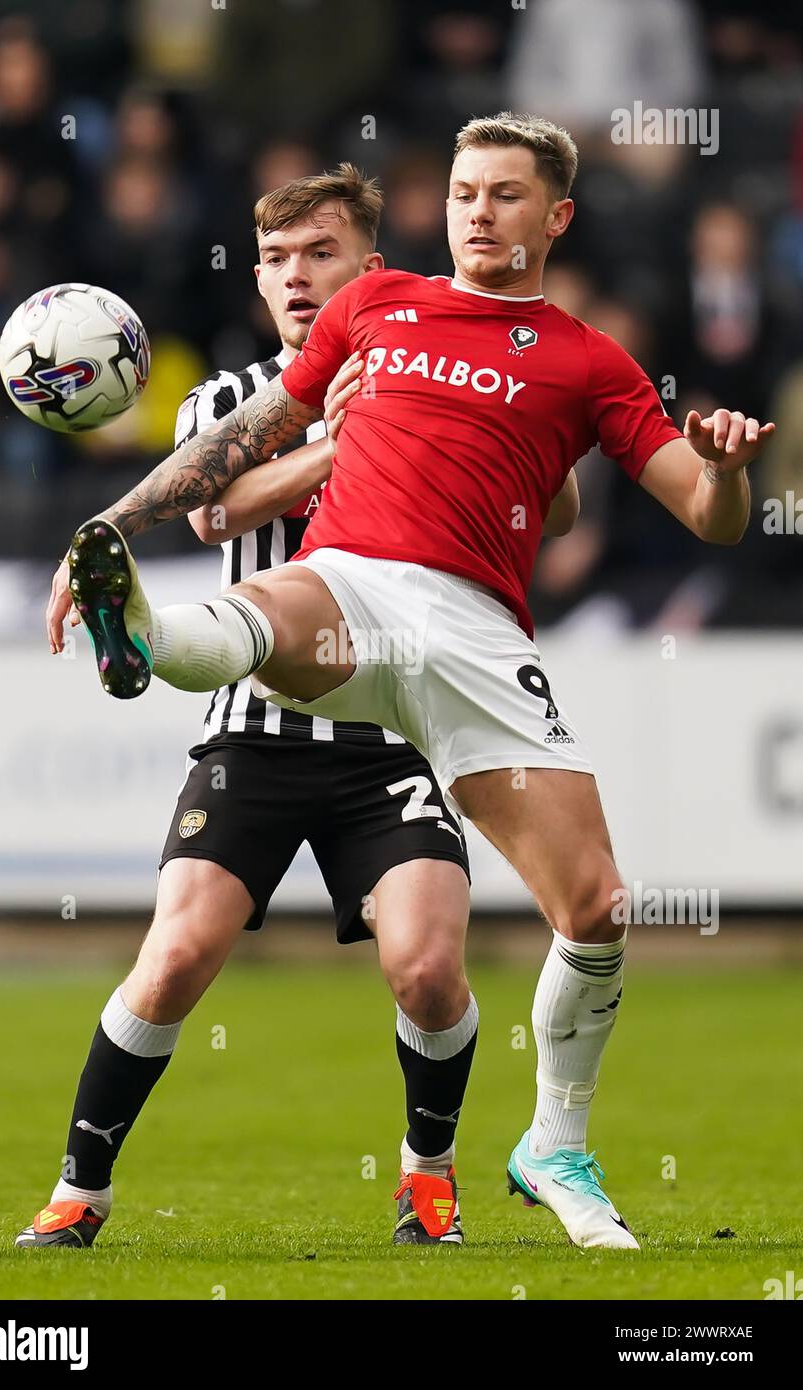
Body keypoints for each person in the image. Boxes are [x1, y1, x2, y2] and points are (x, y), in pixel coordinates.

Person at [62, 114, 773, 1250]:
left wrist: (731, 470)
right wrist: (110, 522)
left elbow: (703, 510)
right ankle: (140, 634)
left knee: (592, 907)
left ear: (555, 217)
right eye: (460, 193)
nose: (478, 213)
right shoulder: (374, 311)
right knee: (268, 611)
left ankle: (552, 1141)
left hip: (479, 633)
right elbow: (240, 443)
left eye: (502, 194)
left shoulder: (587, 360)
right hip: (352, 586)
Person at [23, 161, 579, 1252]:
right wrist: (343, 437)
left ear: (370, 270)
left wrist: (510, 426)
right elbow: (213, 512)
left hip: (391, 733)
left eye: (318, 254)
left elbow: (548, 514)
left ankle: (425, 1177)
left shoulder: (433, 373)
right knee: (177, 953)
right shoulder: (224, 403)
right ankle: (78, 1192)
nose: (292, 275)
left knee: (424, 969)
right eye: (274, 258)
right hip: (254, 735)